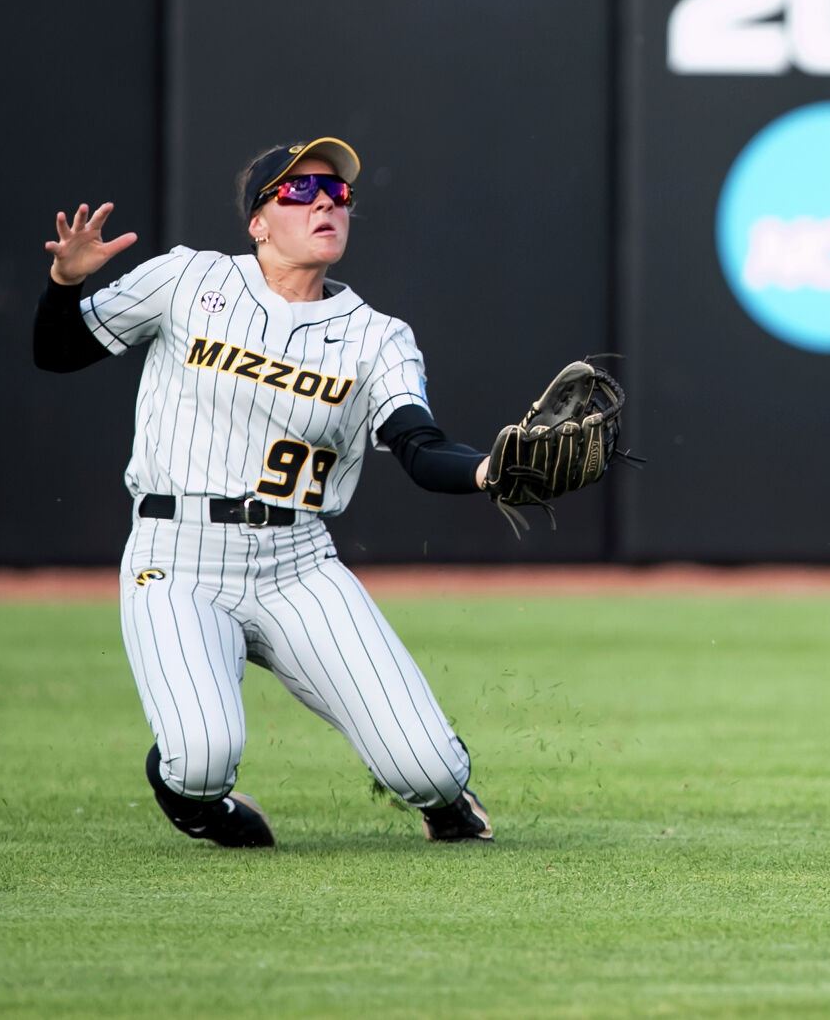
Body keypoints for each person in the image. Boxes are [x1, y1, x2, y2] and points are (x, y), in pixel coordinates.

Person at [32, 138, 508, 848]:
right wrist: (64, 282)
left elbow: (419, 444)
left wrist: (488, 470)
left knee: (428, 766)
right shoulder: (187, 279)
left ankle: (447, 801)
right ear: (258, 222)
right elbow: (57, 351)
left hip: (297, 563)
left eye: (337, 192)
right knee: (200, 758)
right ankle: (204, 808)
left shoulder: (376, 337)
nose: (325, 202)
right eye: (300, 190)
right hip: (176, 557)